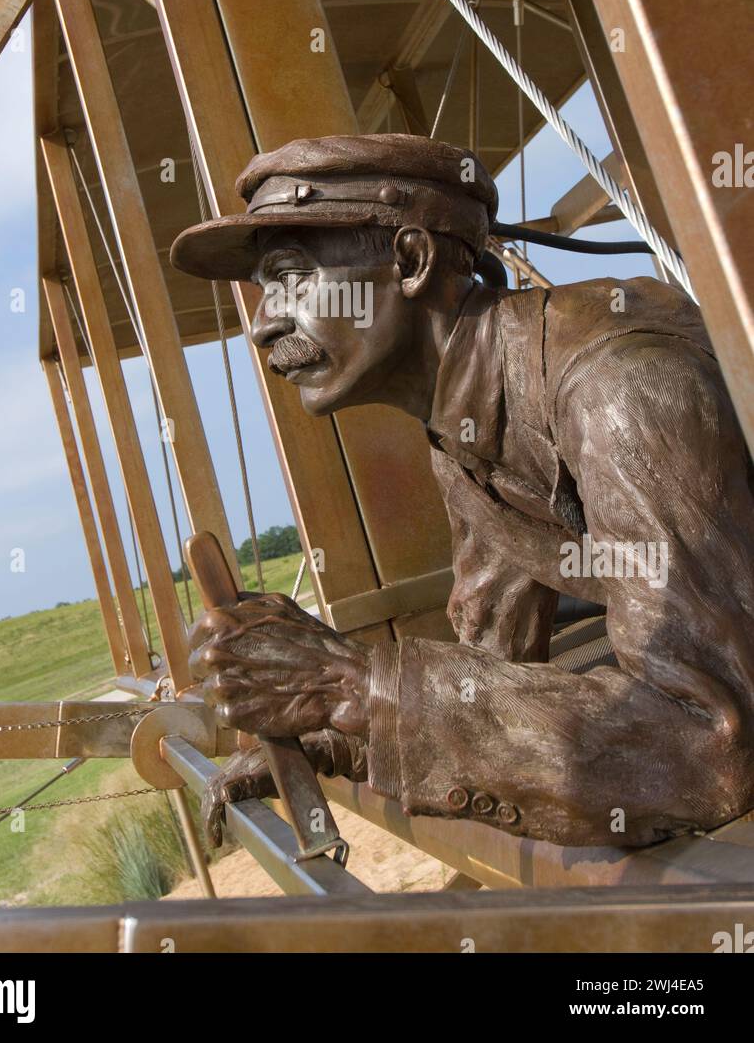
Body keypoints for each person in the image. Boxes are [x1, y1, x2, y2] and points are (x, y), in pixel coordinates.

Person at [171, 133, 754, 848]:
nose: (263, 325)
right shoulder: (463, 426)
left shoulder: (617, 388)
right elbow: (499, 665)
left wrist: (346, 684)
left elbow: (710, 742)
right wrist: (333, 733)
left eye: (291, 276)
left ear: (411, 262)